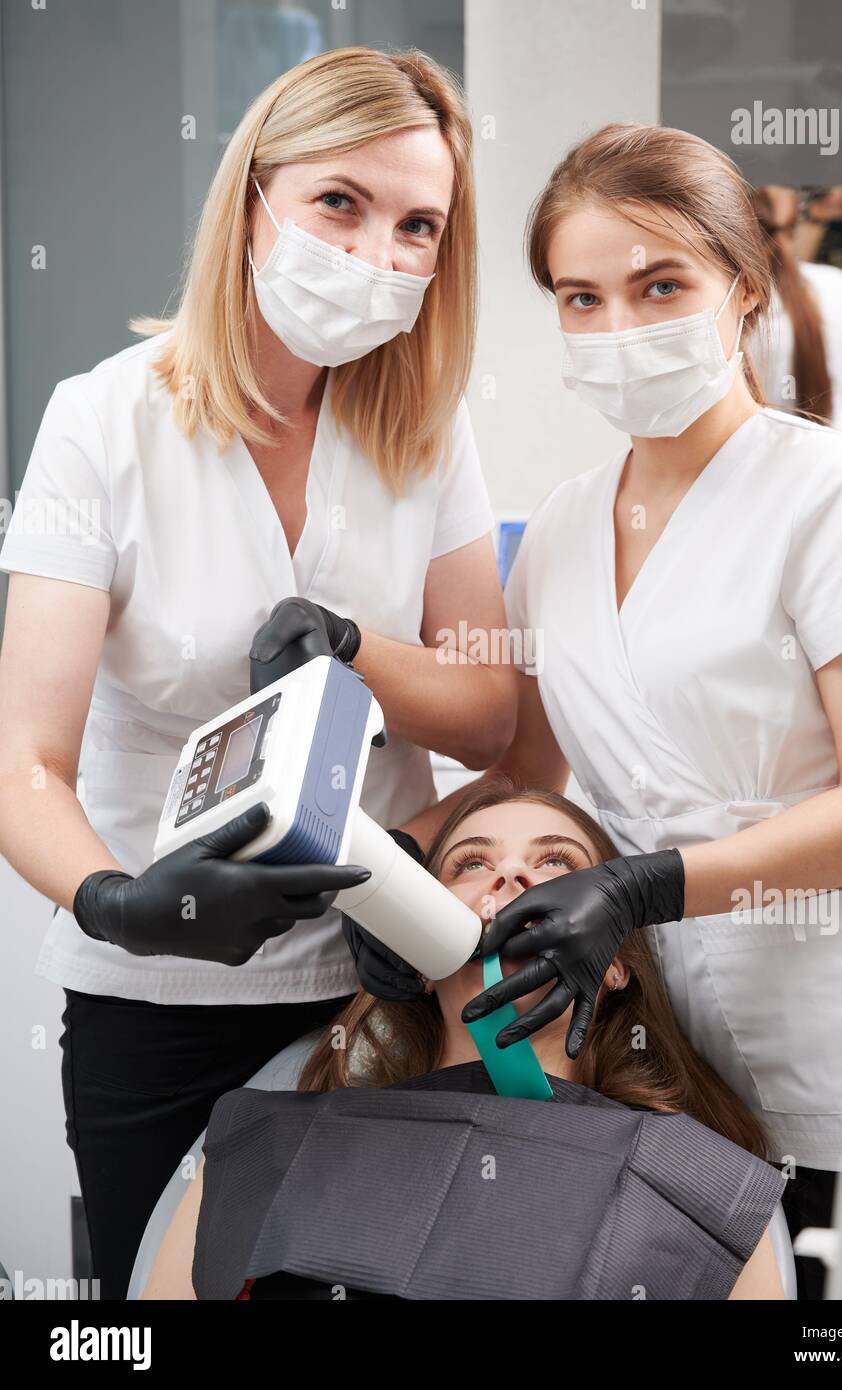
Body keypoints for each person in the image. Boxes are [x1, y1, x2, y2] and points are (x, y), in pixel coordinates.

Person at [349, 123, 842, 1301]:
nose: (620, 327)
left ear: (741, 287)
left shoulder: (827, 491)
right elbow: (532, 779)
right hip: (668, 1057)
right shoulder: (566, 523)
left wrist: (638, 886)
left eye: (659, 286)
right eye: (581, 298)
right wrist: (397, 879)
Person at [0, 46, 515, 1299]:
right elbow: (26, 761)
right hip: (151, 999)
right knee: (153, 1298)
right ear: (253, 200)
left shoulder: (422, 436)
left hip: (373, 978)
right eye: (339, 202)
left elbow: (493, 708)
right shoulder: (104, 422)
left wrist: (353, 646)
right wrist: (124, 901)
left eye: (416, 226)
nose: (375, 253)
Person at [142, 780, 787, 1301]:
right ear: (415, 953)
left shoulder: (708, 1188)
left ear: (614, 961)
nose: (508, 874)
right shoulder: (262, 1146)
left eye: (556, 861)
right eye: (470, 863)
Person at [751, 185, 842, 432]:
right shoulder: (837, 284)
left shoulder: (740, 299)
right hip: (839, 442)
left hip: (767, 449)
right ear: (797, 224)